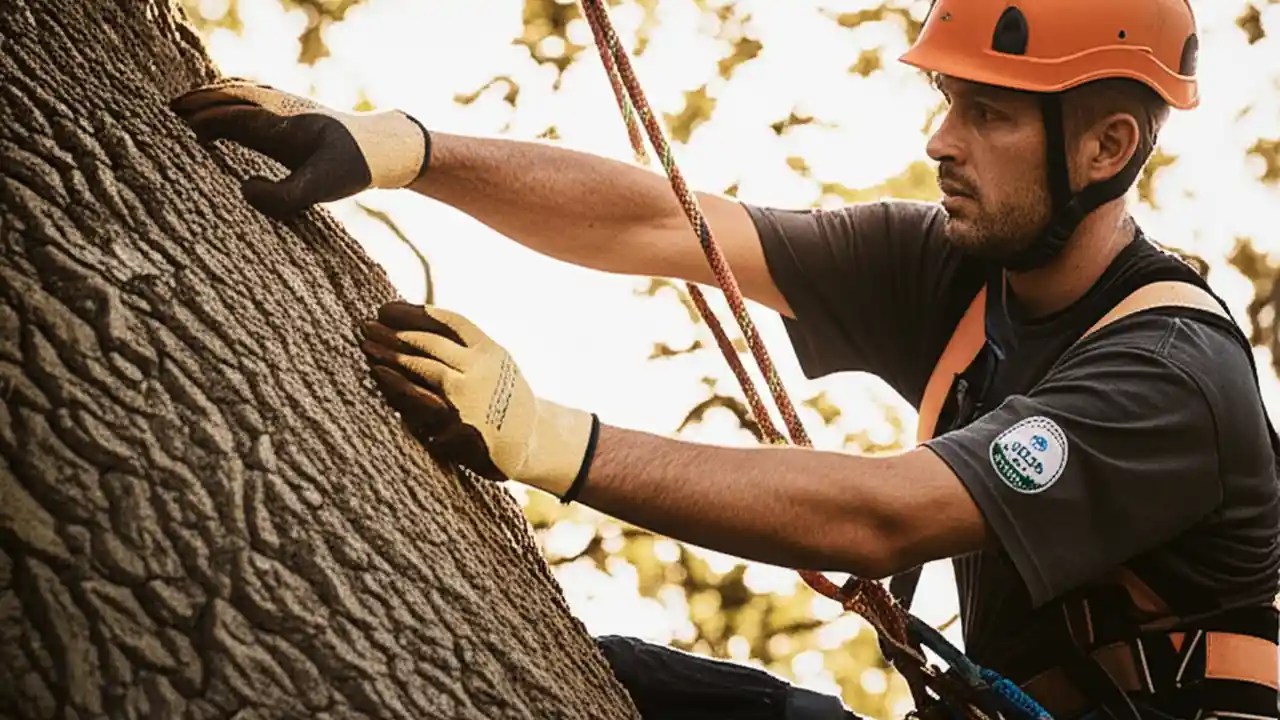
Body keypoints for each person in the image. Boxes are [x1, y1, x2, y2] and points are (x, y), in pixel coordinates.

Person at [170, 0, 1280, 716]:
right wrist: (399, 146)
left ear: (1104, 147)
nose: (938, 141)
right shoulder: (953, 267)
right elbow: (666, 223)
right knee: (601, 683)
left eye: (985, 114)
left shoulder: (1169, 378)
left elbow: (885, 516)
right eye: (946, 103)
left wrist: (551, 440)